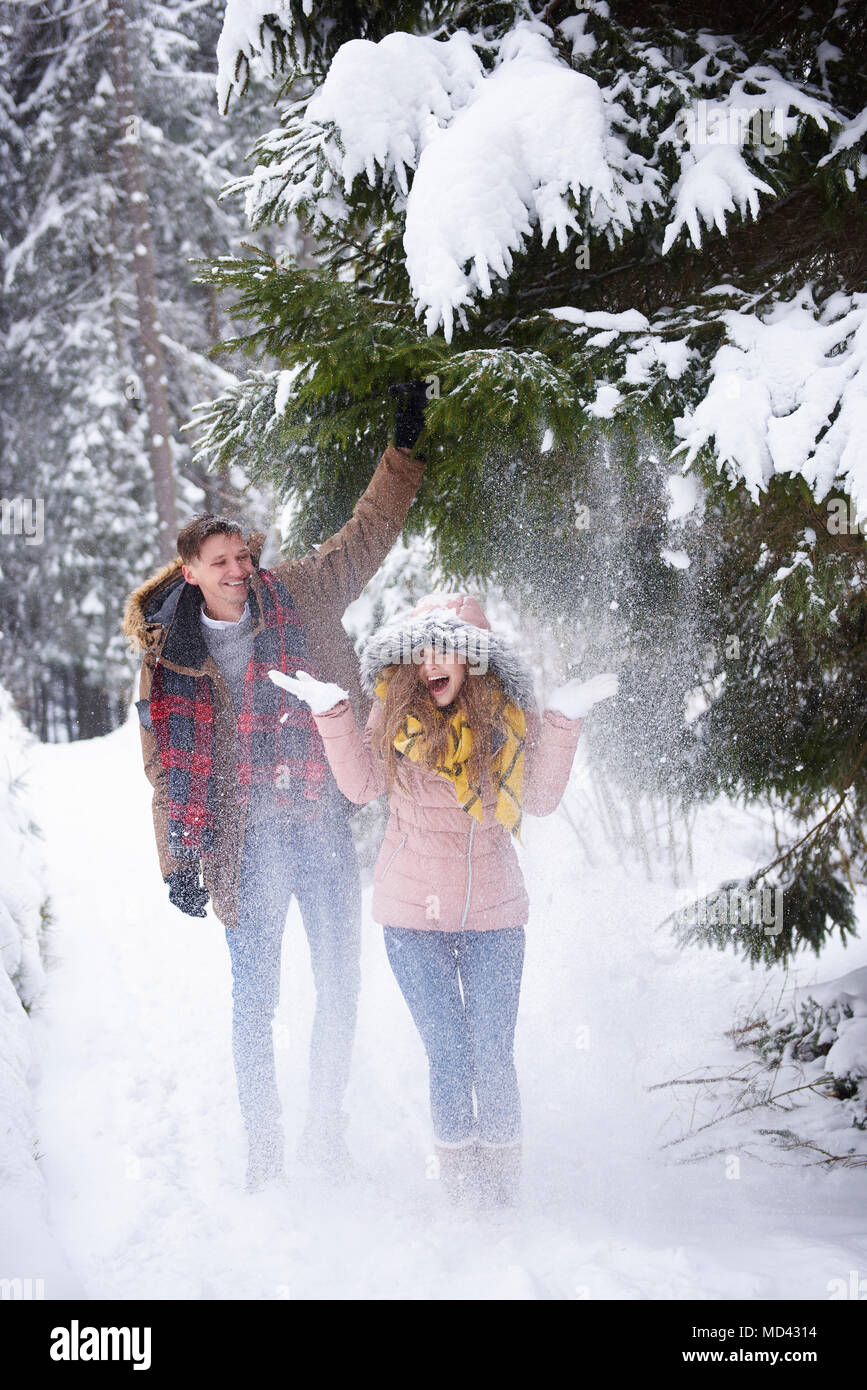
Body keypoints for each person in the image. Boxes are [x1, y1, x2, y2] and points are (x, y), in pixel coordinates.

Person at [122, 384, 430, 1191]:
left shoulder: (296, 592)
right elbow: (166, 769)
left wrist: (404, 451)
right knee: (255, 998)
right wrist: (176, 862)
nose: (238, 570)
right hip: (244, 845)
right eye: (219, 561)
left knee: (339, 984)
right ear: (189, 572)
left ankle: (325, 1130)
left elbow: (366, 537)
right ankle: (266, 1147)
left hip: (321, 824)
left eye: (243, 557)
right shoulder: (169, 658)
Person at [270, 594, 617, 1205]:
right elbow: (361, 787)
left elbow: (536, 800)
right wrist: (333, 716)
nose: (433, 661)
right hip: (411, 920)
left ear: (472, 660)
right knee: (451, 1055)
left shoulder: (507, 719)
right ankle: (461, 1192)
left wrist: (562, 721)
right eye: (422, 649)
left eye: (447, 648)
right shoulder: (393, 713)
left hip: (495, 915)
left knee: (492, 1054)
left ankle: (503, 1196)